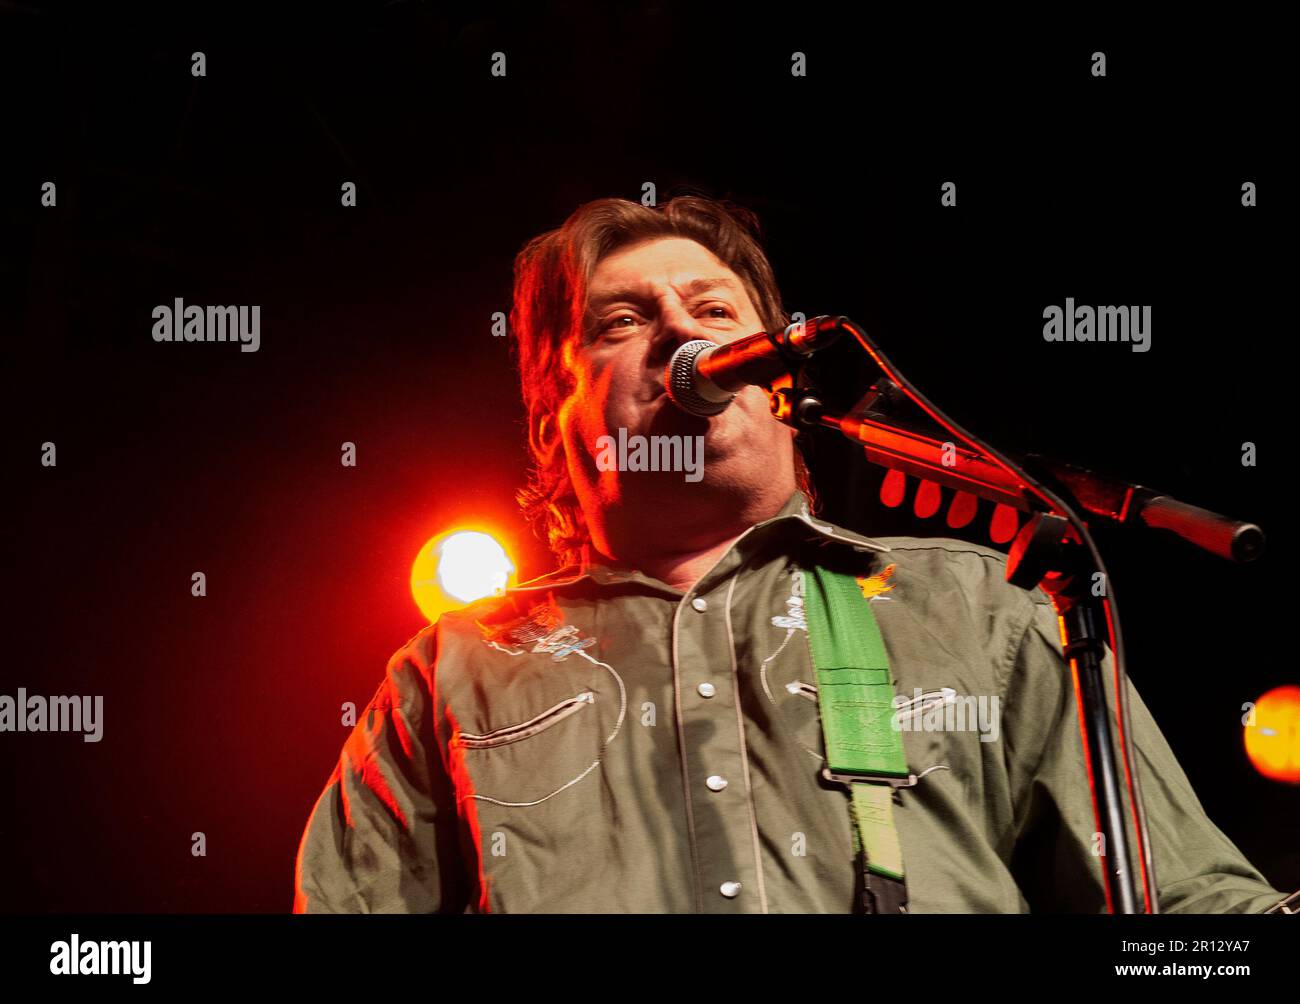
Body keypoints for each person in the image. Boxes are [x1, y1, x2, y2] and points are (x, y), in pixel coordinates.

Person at [293, 195, 1291, 913]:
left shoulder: (980, 604)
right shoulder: (452, 670)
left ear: (777, 381)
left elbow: (1185, 904)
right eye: (622, 320)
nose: (680, 330)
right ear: (554, 423)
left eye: (715, 311)